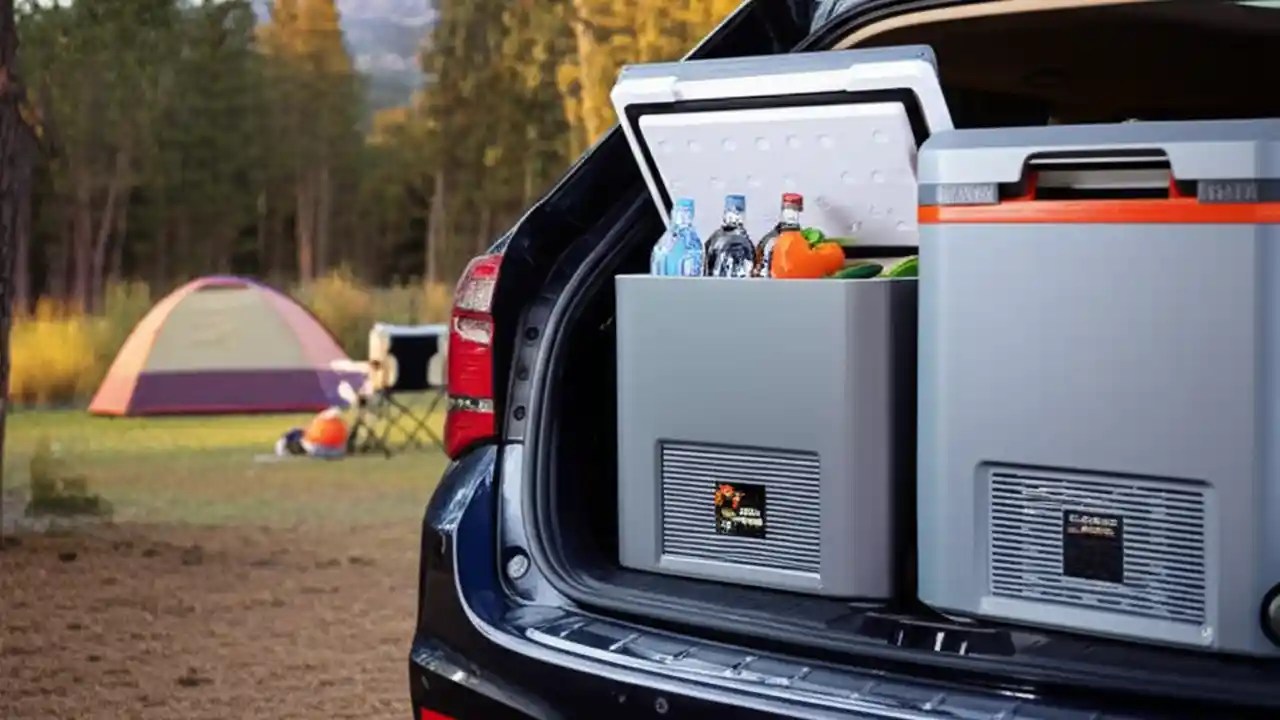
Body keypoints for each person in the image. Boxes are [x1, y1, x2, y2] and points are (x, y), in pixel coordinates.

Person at [275, 407, 349, 459]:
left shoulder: (319, 423)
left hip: (318, 448)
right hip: (337, 451)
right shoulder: (340, 424)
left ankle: (293, 447)